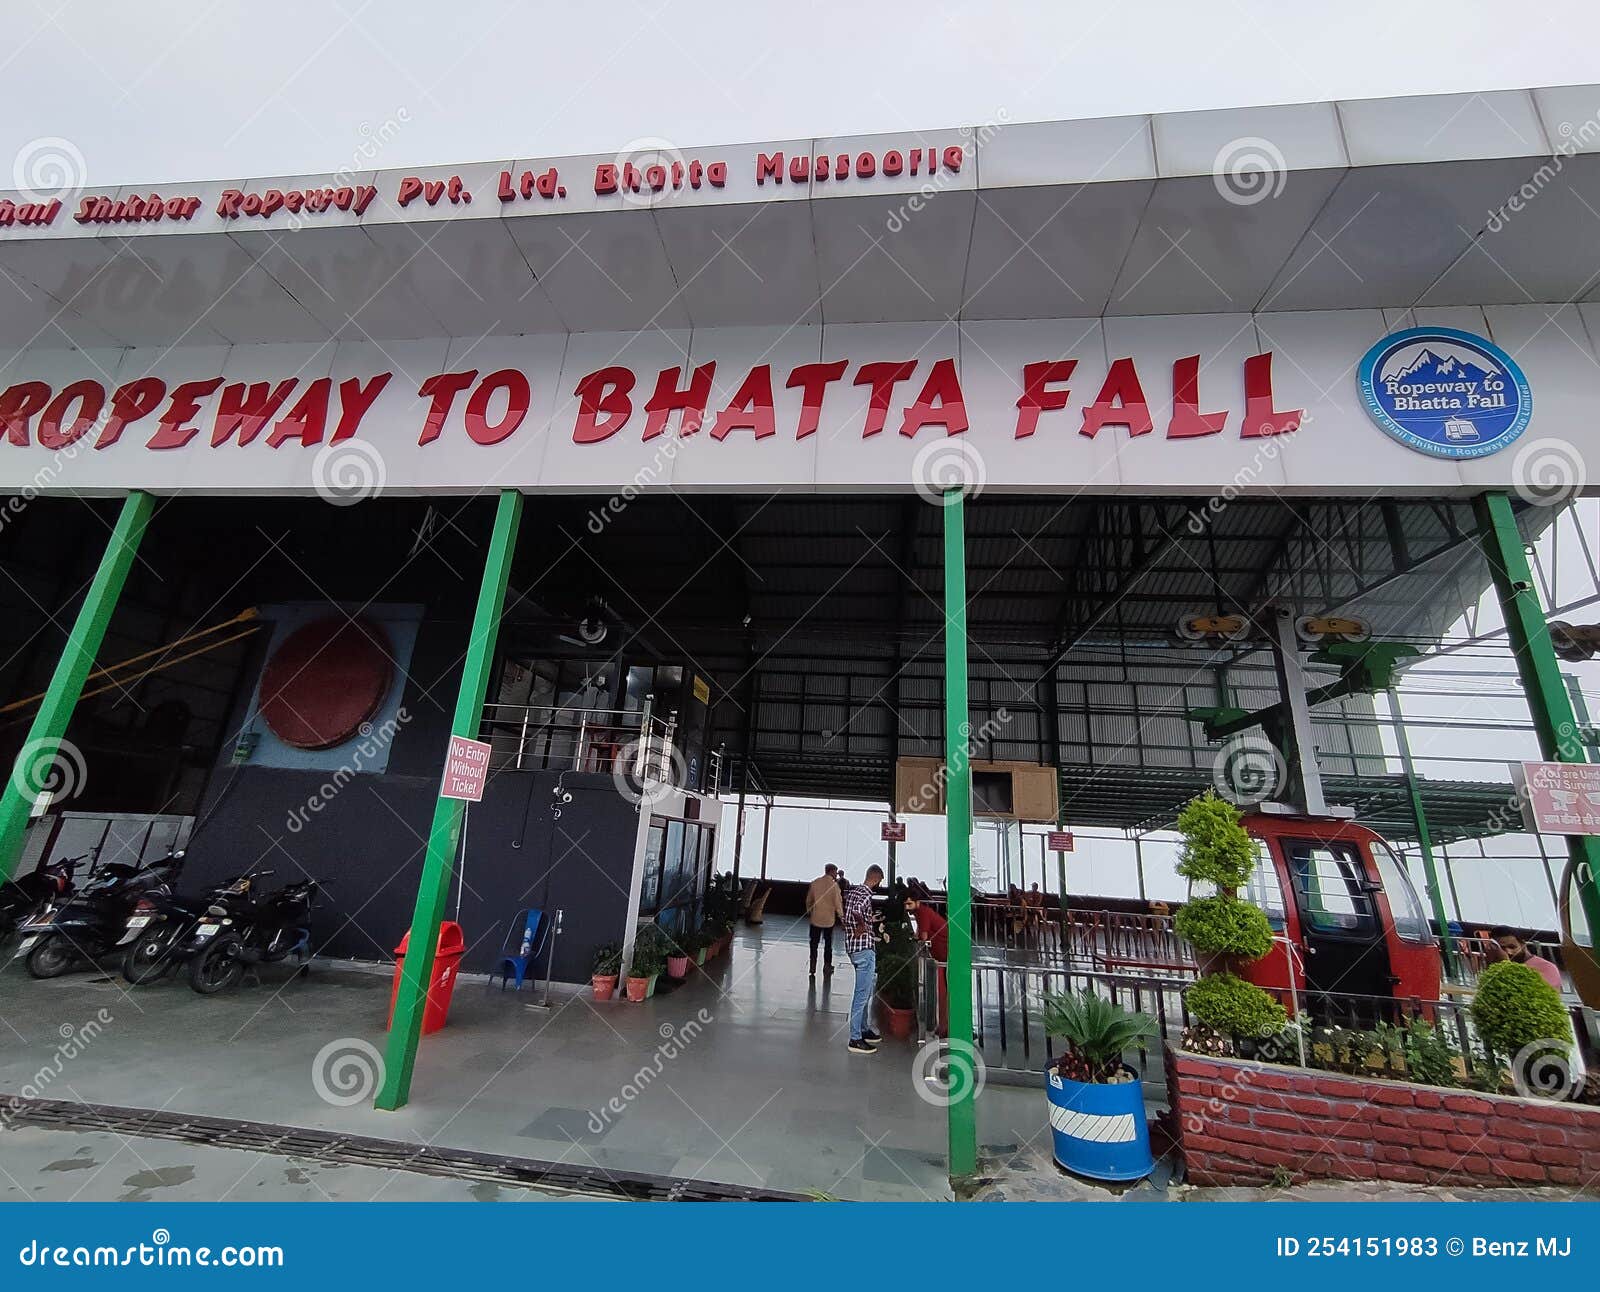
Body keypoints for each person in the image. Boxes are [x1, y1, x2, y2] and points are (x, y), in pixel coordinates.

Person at [842, 864, 884, 1054]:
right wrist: (861, 925)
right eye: (879, 882)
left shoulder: (853, 891)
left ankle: (864, 1029)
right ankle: (855, 1038)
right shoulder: (866, 893)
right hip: (864, 949)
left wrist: (868, 921)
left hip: (852, 947)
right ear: (875, 879)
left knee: (865, 993)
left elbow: (849, 912)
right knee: (861, 995)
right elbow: (856, 912)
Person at [905, 893, 949, 1036]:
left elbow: (923, 936)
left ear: (917, 902)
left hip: (943, 954)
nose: (907, 908)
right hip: (940, 953)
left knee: (942, 991)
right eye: (905, 905)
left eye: (909, 904)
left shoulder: (923, 913)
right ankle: (943, 1025)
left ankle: (943, 1026)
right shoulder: (921, 912)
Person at [1484, 925, 1563, 991]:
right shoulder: (1497, 965)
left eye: (1512, 947)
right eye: (1502, 949)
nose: (1508, 952)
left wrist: (1506, 965)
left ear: (1523, 944)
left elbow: (1532, 994)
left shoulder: (1546, 967)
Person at [804, 863, 845, 976]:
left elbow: (809, 900)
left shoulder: (815, 883)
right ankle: (827, 966)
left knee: (814, 943)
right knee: (828, 945)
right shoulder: (834, 886)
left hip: (815, 919)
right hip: (828, 921)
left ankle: (812, 966)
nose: (836, 875)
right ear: (832, 872)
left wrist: (810, 912)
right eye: (835, 872)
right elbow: (838, 904)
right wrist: (842, 919)